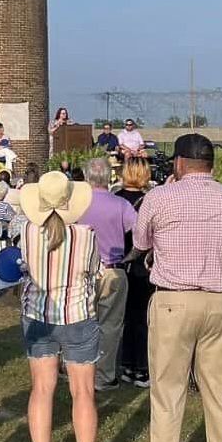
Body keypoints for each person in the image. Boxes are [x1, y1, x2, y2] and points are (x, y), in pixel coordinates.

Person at [125, 134, 222, 442]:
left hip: (173, 301)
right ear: (211, 164)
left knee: (168, 394)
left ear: (179, 164)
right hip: (220, 302)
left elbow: (141, 241)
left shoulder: (160, 198)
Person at [14, 170, 110, 442]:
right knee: (83, 393)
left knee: (42, 389)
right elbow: (95, 272)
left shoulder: (26, 232)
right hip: (78, 314)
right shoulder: (87, 235)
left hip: (37, 315)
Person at [77, 158, 138, 391]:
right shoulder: (120, 204)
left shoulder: (78, 204)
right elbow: (138, 230)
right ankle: (103, 374)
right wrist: (130, 255)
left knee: (81, 322)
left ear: (87, 176)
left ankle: (77, 367)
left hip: (82, 270)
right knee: (110, 325)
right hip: (113, 268)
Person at [116, 158, 153, 387]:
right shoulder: (148, 201)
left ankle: (126, 363)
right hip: (139, 263)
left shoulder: (116, 199)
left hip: (118, 261)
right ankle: (141, 367)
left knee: (126, 318)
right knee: (141, 318)